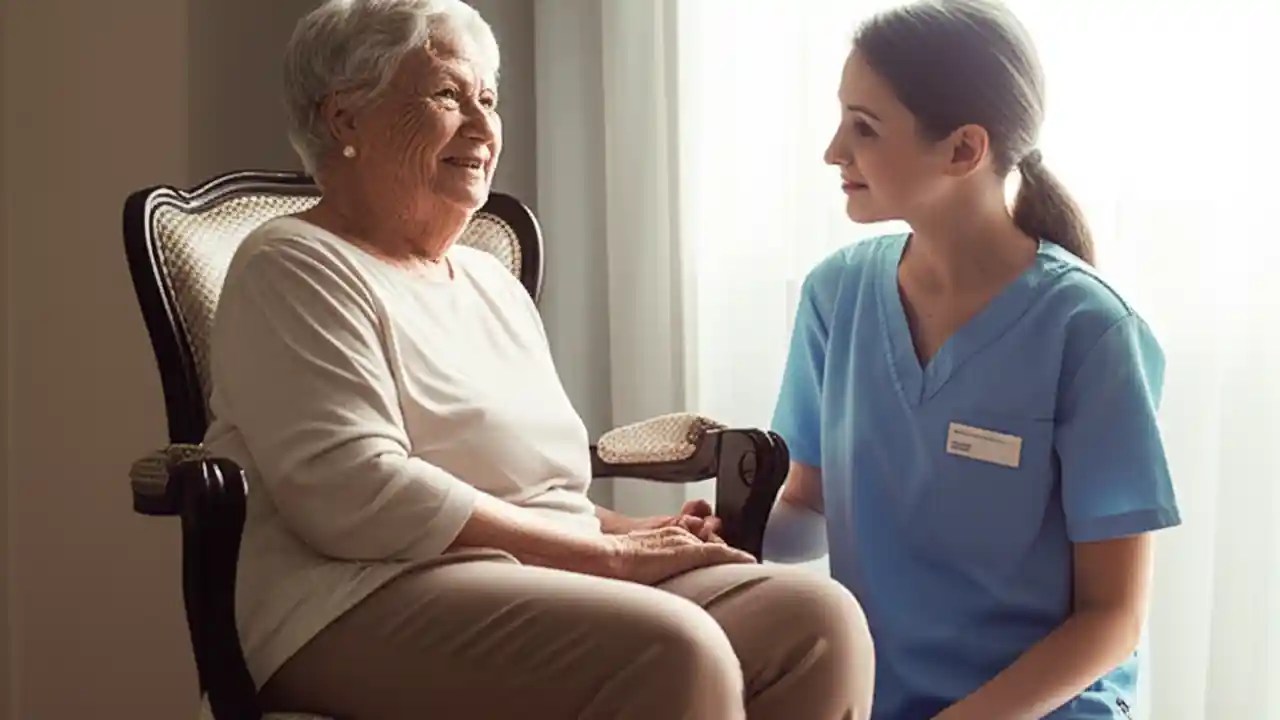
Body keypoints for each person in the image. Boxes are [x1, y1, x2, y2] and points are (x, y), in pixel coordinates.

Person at [202, 1, 874, 718]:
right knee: (675, 647)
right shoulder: (293, 266)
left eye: (488, 99)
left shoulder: (490, 279)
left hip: (539, 572)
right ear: (345, 120)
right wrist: (608, 559)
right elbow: (356, 494)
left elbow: (531, 490)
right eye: (447, 95)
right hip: (352, 594)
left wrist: (636, 533)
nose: (483, 125)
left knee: (817, 623)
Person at [766, 1, 1180, 718]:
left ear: (963, 150)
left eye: (864, 127)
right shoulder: (836, 297)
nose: (834, 149)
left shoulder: (1090, 334)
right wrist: (727, 529)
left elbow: (1112, 617)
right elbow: (808, 504)